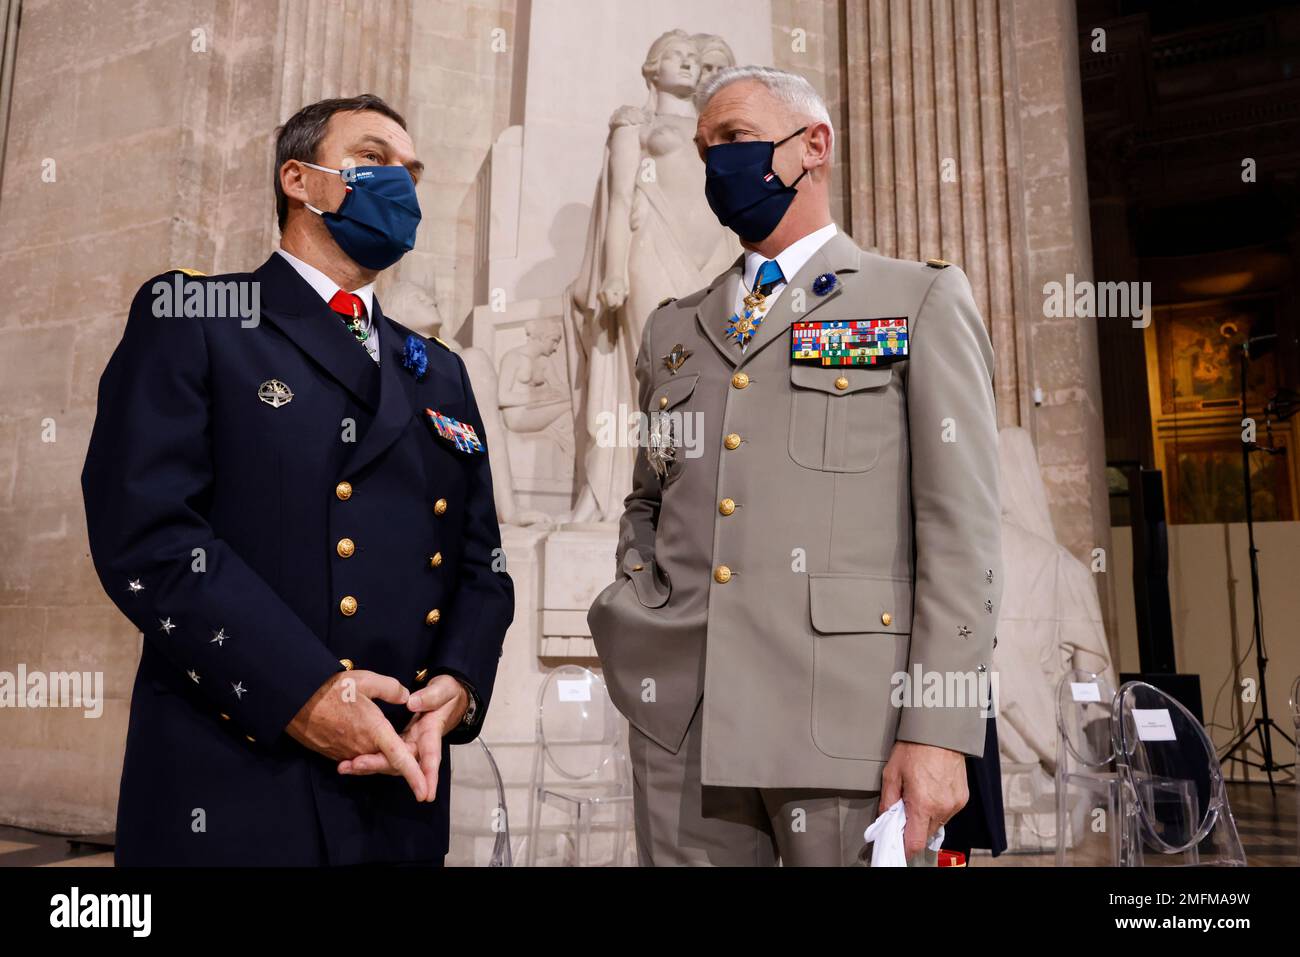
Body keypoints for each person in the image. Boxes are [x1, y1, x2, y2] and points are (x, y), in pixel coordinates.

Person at [81, 94, 514, 866]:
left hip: (395, 784)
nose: (403, 184)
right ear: (300, 179)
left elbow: (482, 561)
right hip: (240, 774)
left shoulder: (437, 370)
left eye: (412, 172)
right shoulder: (201, 317)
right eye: (375, 161)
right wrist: (305, 692)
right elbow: (147, 537)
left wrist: (460, 682)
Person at [588, 67, 1002, 866]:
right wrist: (640, 610)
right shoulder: (674, 328)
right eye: (706, 147)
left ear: (814, 145)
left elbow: (962, 532)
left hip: (851, 725)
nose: (715, 163)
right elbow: (647, 499)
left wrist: (939, 729)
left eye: (735, 139)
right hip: (685, 725)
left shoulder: (913, 300)